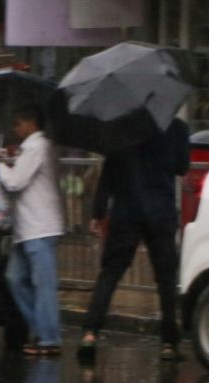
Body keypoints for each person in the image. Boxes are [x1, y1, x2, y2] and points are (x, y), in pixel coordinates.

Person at [81, 116, 191, 360]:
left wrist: (99, 212)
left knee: (110, 273)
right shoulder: (177, 128)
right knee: (165, 279)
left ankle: (90, 332)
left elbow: (109, 172)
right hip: (160, 211)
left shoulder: (124, 126)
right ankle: (168, 343)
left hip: (126, 211)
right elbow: (182, 166)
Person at [0, 104, 64, 355]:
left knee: (43, 284)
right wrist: (12, 158)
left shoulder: (38, 146)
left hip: (40, 227)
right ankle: (40, 329)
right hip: (26, 229)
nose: (15, 130)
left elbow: (15, 182)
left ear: (29, 123)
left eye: (17, 124)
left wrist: (0, 164)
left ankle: (49, 338)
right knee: (14, 278)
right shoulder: (31, 148)